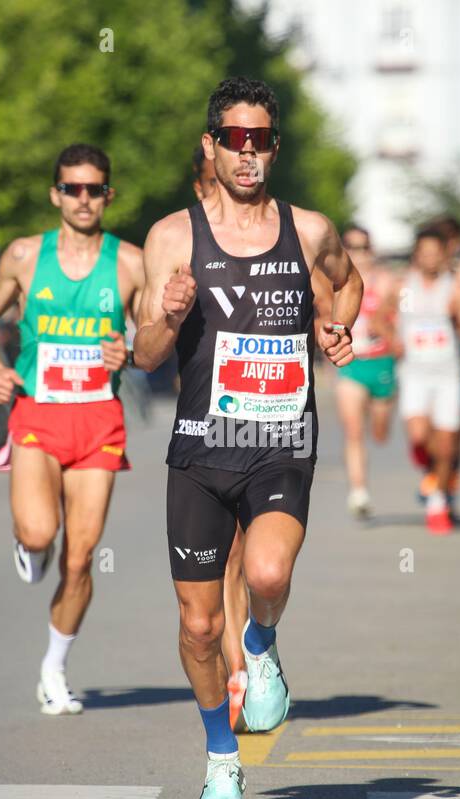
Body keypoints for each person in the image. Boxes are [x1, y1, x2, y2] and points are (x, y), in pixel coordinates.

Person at [135, 77, 361, 799]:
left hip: (279, 441)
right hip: (200, 450)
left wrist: (336, 330)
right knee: (199, 627)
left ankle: (260, 644)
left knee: (266, 571)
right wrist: (167, 319)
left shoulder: (310, 231)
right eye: (234, 139)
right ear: (211, 146)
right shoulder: (172, 236)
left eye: (261, 139)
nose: (248, 153)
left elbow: (347, 286)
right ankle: (221, 760)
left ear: (274, 147)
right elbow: (142, 355)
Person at [0, 143, 144, 716]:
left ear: (108, 195)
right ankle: (29, 543)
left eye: (95, 189)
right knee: (42, 535)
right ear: (56, 194)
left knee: (81, 556)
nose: (84, 198)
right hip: (38, 415)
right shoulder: (23, 256)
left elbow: (155, 339)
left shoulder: (131, 263)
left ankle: (54, 667)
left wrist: (133, 349)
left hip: (99, 421)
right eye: (73, 188)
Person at [192, 143, 248, 729]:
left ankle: (247, 659)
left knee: (251, 560)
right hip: (201, 428)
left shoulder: (265, 240)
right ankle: (236, 671)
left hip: (259, 424)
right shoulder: (181, 245)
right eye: (208, 184)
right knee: (222, 562)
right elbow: (151, 338)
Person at [397, 227, 460, 534]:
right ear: (417, 254)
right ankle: (431, 475)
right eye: (424, 252)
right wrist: (393, 338)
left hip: (447, 375)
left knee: (445, 446)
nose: (430, 258)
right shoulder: (404, 286)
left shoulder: (454, 288)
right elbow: (383, 317)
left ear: (445, 255)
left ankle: (438, 501)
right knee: (418, 436)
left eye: (435, 253)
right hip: (415, 372)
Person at [334, 223, 397, 518]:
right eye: (352, 247)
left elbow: (399, 320)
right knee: (354, 431)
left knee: (380, 432)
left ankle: (380, 417)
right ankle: (359, 492)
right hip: (352, 364)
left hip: (382, 362)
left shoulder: (387, 282)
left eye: (364, 247)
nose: (359, 254)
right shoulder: (333, 283)